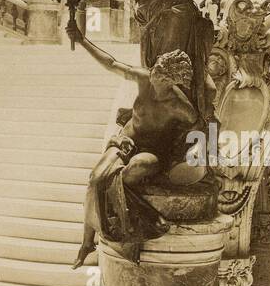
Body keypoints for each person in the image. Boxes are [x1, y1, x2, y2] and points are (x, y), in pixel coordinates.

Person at [73, 47, 206, 266]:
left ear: (170, 80)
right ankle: (87, 242)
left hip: (152, 153)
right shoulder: (145, 78)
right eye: (156, 68)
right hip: (125, 142)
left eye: (159, 73)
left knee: (135, 168)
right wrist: (82, 41)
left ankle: (122, 230)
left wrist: (193, 158)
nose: (153, 72)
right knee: (95, 179)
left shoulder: (180, 107)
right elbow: (112, 63)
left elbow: (199, 131)